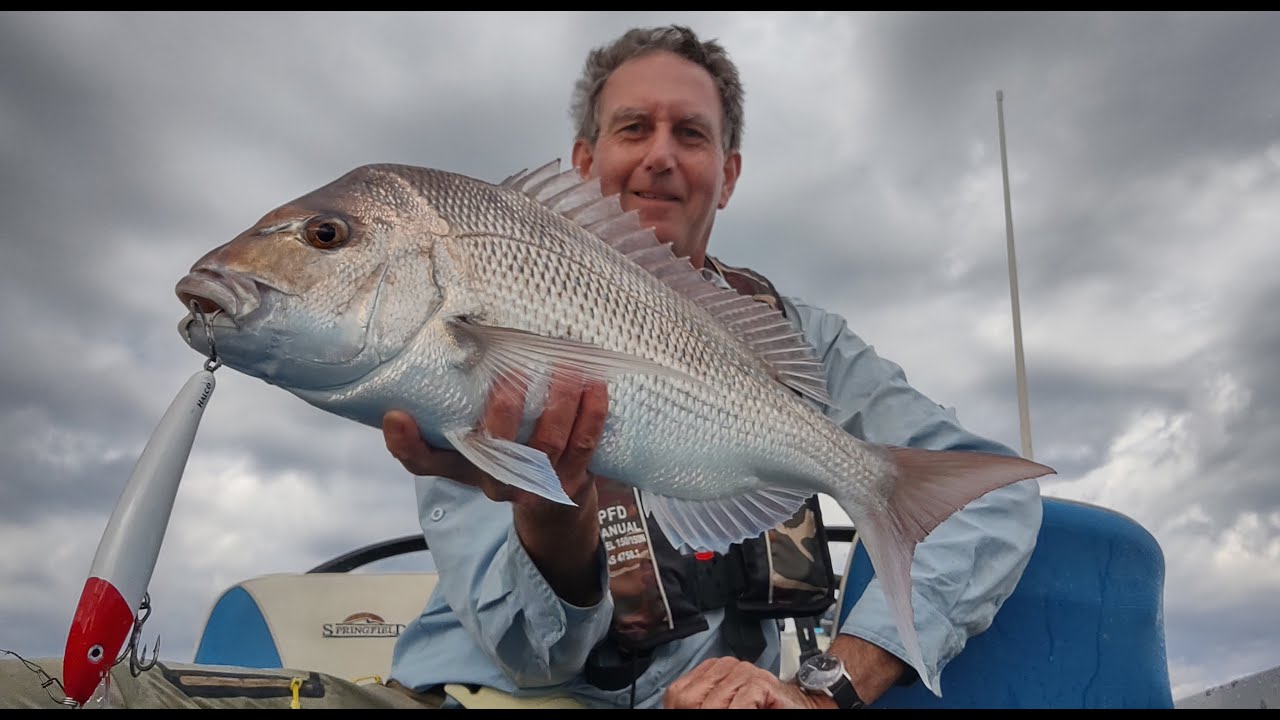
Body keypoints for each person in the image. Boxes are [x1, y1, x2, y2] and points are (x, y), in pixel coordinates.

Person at [0, 23, 1042, 710]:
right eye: (631, 128)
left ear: (727, 173)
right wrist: (554, 519)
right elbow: (529, 653)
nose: (660, 154)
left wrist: (832, 682)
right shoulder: (449, 331)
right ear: (582, 163)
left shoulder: (801, 341)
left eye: (691, 134)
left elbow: (989, 500)